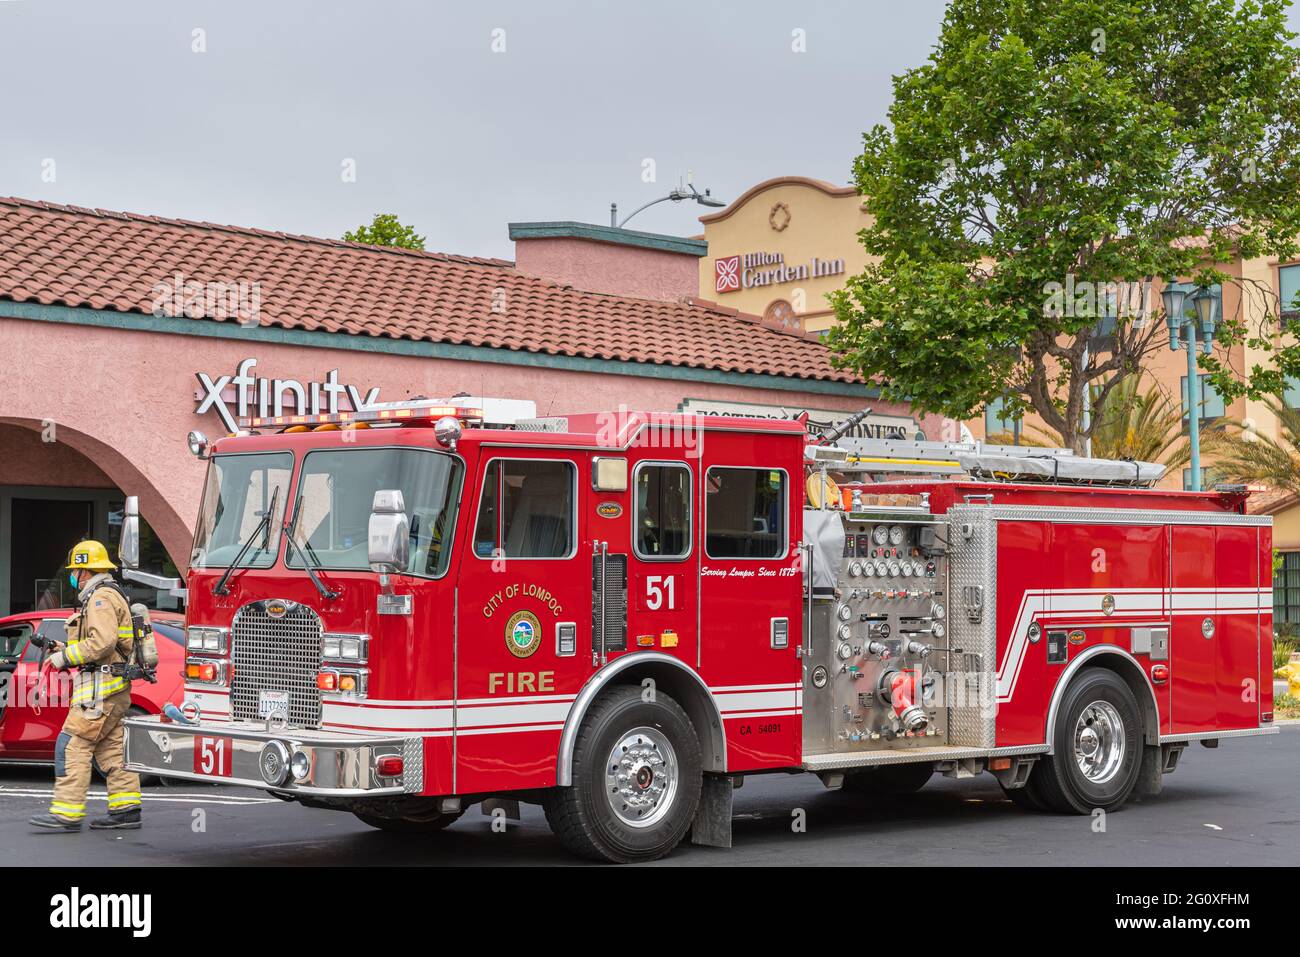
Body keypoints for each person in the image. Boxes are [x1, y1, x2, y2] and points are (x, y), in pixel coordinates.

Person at [29, 541, 143, 831]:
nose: (72, 576)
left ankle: (66, 812)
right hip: (114, 689)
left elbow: (101, 644)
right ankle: (126, 810)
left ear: (83, 570)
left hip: (100, 691)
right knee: (112, 751)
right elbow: (104, 643)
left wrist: (62, 658)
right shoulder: (110, 594)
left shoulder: (100, 598)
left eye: (74, 571)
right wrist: (62, 647)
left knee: (72, 745)